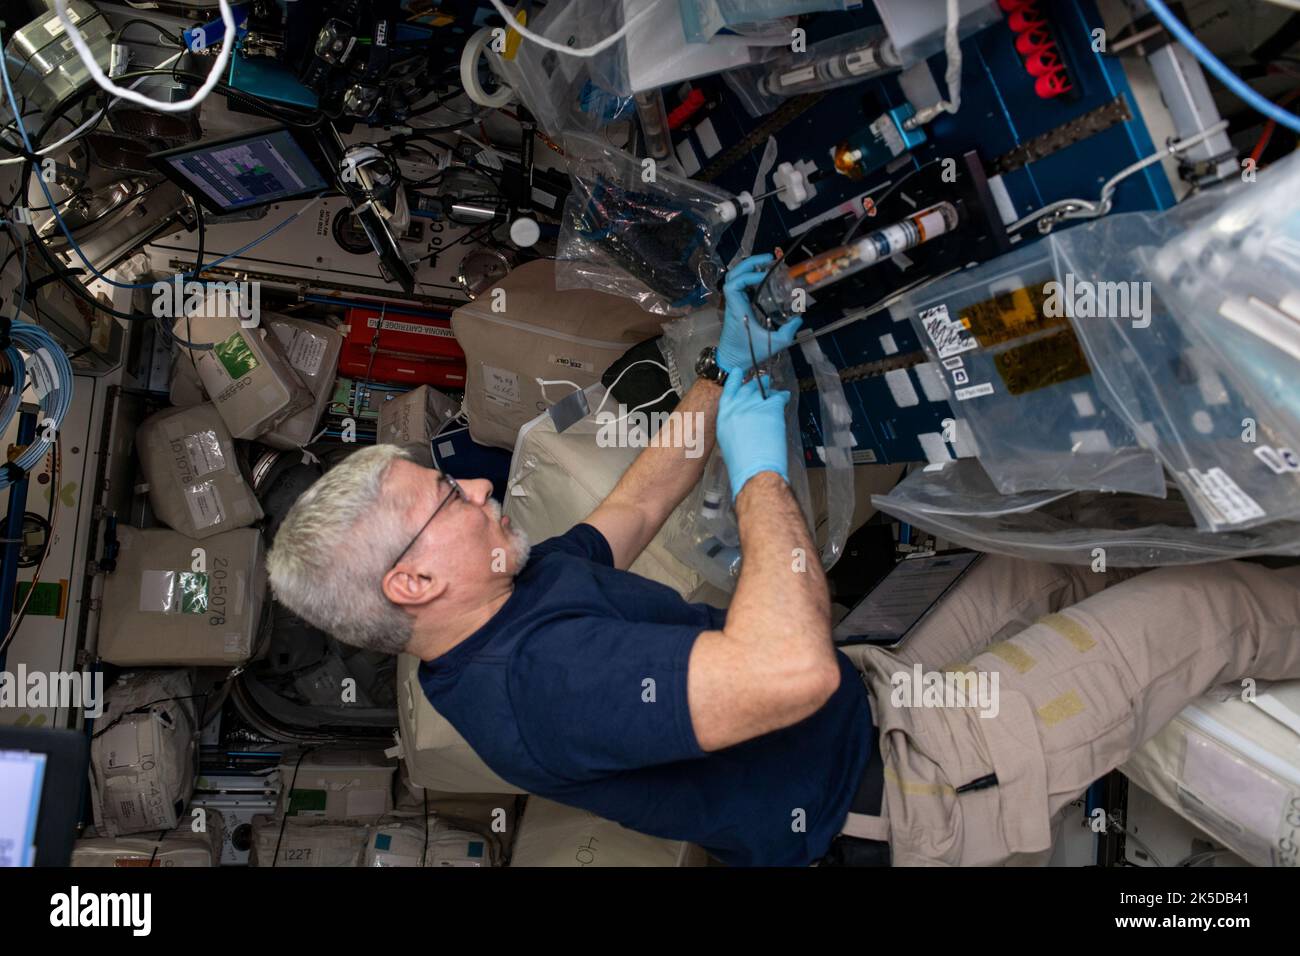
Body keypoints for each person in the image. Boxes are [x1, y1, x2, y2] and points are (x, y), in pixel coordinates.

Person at [267, 253, 1300, 866]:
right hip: (903, 780)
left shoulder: (511, 596)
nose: (481, 485)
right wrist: (762, 470)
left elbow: (639, 497)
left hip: (867, 696)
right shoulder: (536, 687)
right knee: (1208, 613)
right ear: (412, 581)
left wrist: (729, 364)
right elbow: (786, 672)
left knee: (1060, 547)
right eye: (448, 498)